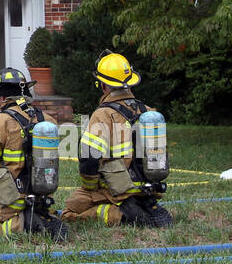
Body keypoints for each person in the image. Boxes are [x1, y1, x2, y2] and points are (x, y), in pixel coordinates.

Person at [61, 51, 173, 227]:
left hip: (116, 190)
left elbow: (89, 158)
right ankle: (146, 205)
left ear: (103, 85)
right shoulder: (149, 112)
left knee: (69, 212)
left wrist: (90, 187)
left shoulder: (103, 114)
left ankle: (120, 215)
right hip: (149, 188)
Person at [0, 67, 68, 240]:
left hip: (9, 202)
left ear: (2, 97)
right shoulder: (48, 121)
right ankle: (42, 217)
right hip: (41, 199)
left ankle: (24, 224)